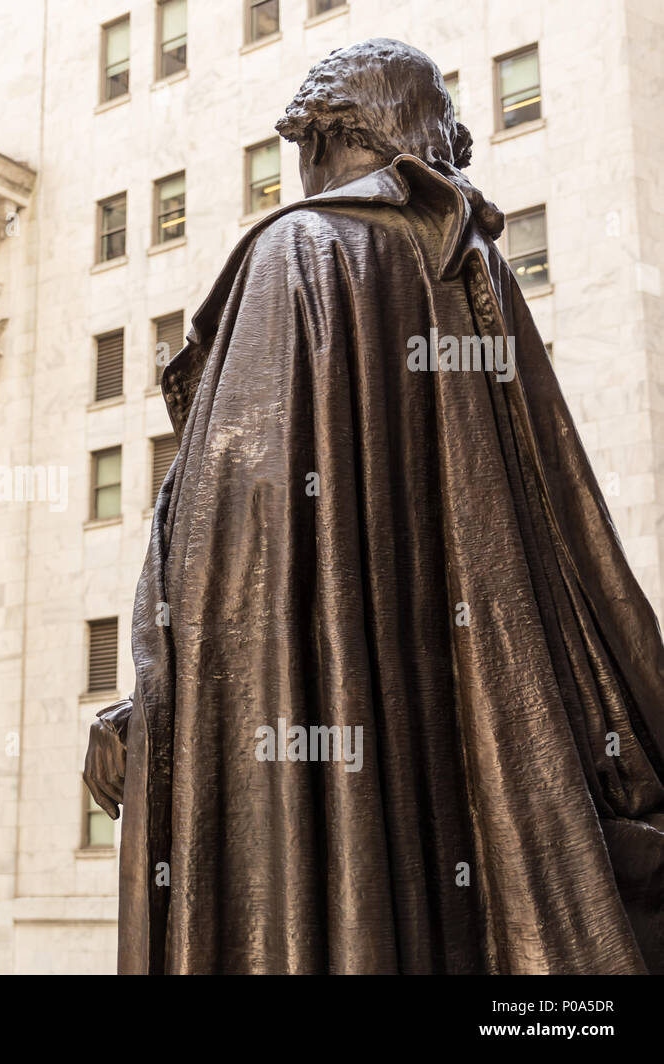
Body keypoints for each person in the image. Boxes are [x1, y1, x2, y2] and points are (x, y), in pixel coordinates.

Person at [84, 38, 664, 975]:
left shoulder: (299, 252)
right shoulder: (469, 274)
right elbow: (567, 548)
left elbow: (237, 544)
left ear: (319, 133)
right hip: (447, 765)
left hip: (316, 780)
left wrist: (153, 707)